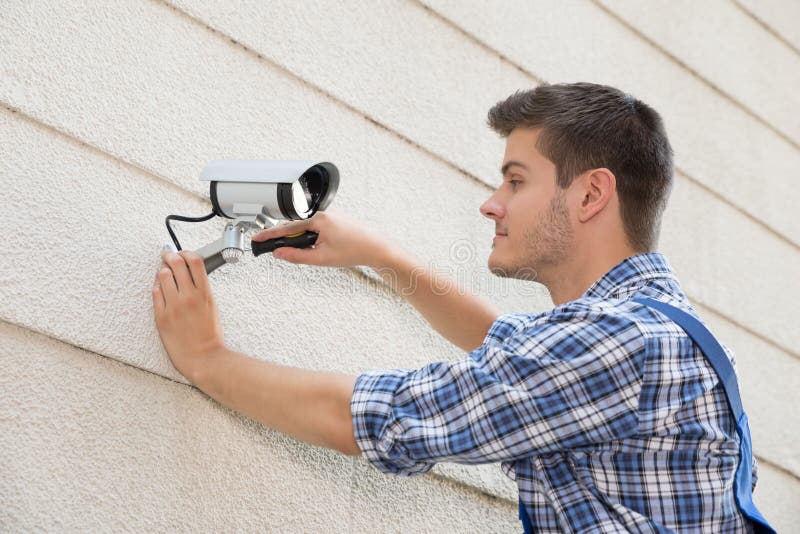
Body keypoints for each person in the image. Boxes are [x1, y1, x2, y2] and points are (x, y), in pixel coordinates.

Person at [152, 83, 770, 532]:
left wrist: (207, 358)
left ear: (590, 195)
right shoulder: (652, 330)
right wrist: (383, 258)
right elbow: (513, 353)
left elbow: (373, 417)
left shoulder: (621, 343)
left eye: (516, 180)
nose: (491, 203)